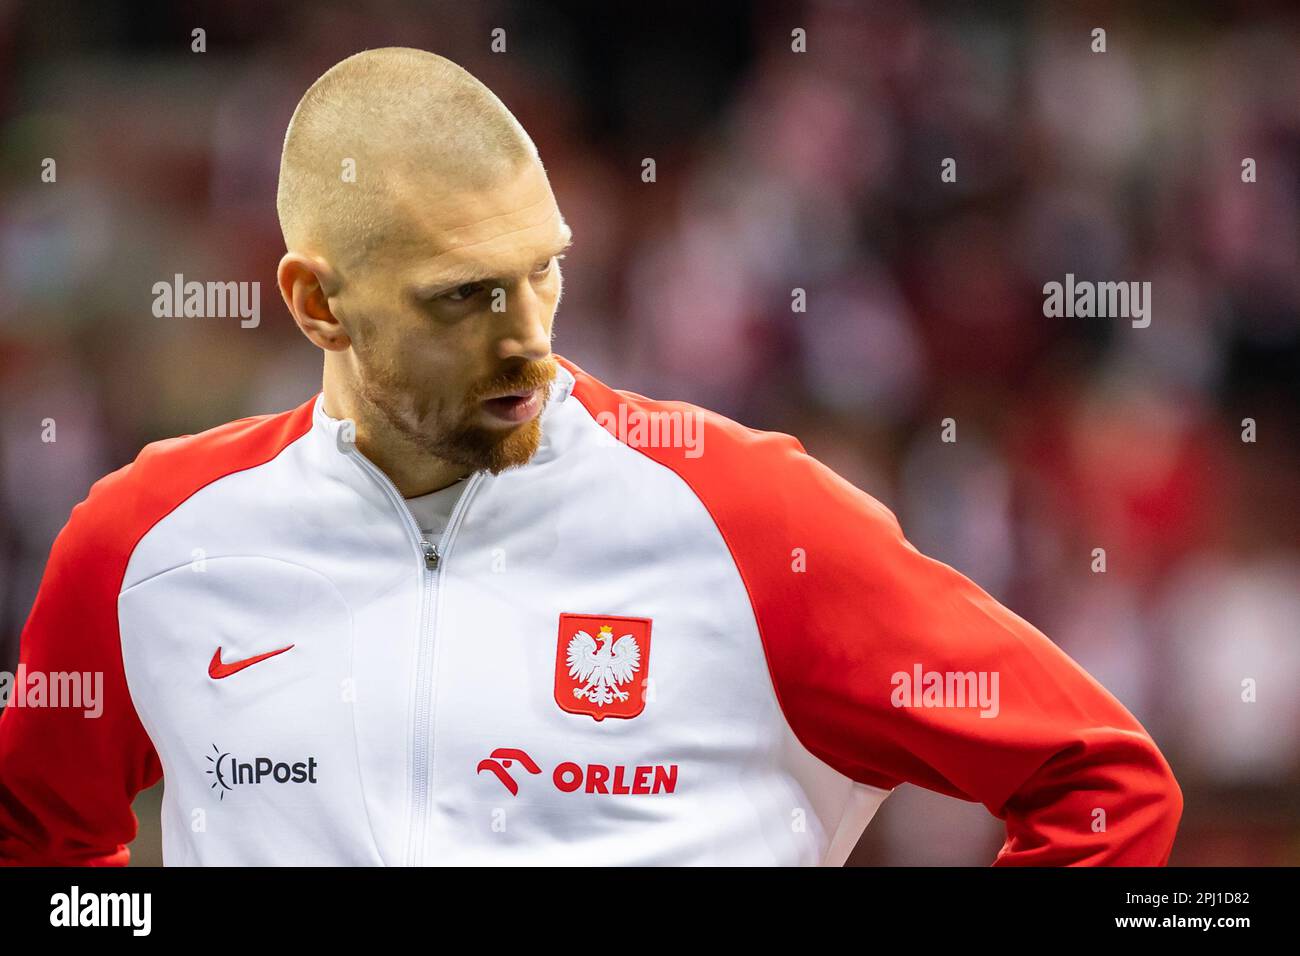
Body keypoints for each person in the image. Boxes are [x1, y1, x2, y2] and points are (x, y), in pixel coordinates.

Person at [0, 48, 1181, 865]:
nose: (528, 337)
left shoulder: (757, 521)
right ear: (317, 302)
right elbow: (40, 842)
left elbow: (1102, 786)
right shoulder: (144, 543)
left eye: (544, 269)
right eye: (463, 296)